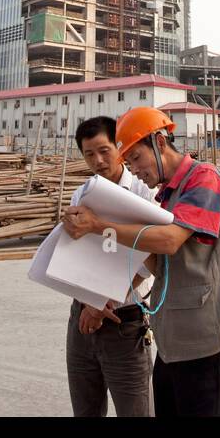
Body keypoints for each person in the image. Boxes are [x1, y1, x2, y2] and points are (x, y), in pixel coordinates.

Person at [61, 106, 220, 417]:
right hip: (173, 338)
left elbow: (169, 241)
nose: (134, 169)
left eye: (136, 158)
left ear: (159, 142)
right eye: (129, 161)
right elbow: (158, 264)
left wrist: (100, 226)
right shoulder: (166, 196)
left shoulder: (204, 178)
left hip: (207, 336)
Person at [63, 116, 157, 417]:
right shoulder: (82, 194)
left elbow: (149, 259)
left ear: (120, 147)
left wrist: (104, 300)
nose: (98, 161)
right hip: (82, 319)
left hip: (124, 323)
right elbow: (77, 253)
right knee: (85, 409)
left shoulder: (144, 192)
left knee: (135, 411)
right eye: (89, 154)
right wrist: (88, 302)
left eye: (104, 151)